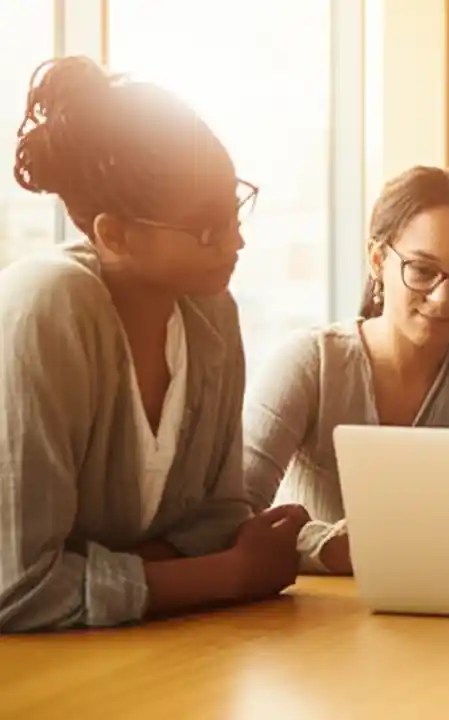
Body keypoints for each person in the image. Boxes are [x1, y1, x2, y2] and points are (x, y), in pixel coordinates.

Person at [0, 57, 306, 632]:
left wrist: (112, 575)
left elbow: (219, 519)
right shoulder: (45, 307)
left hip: (139, 650)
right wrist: (230, 576)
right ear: (113, 234)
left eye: (234, 207)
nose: (237, 241)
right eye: (208, 227)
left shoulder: (212, 313)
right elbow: (17, 586)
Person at [244, 166, 449, 575]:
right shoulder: (311, 361)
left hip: (445, 601)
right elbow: (232, 512)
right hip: (314, 606)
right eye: (422, 270)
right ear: (377, 260)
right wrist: (328, 546)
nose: (444, 299)